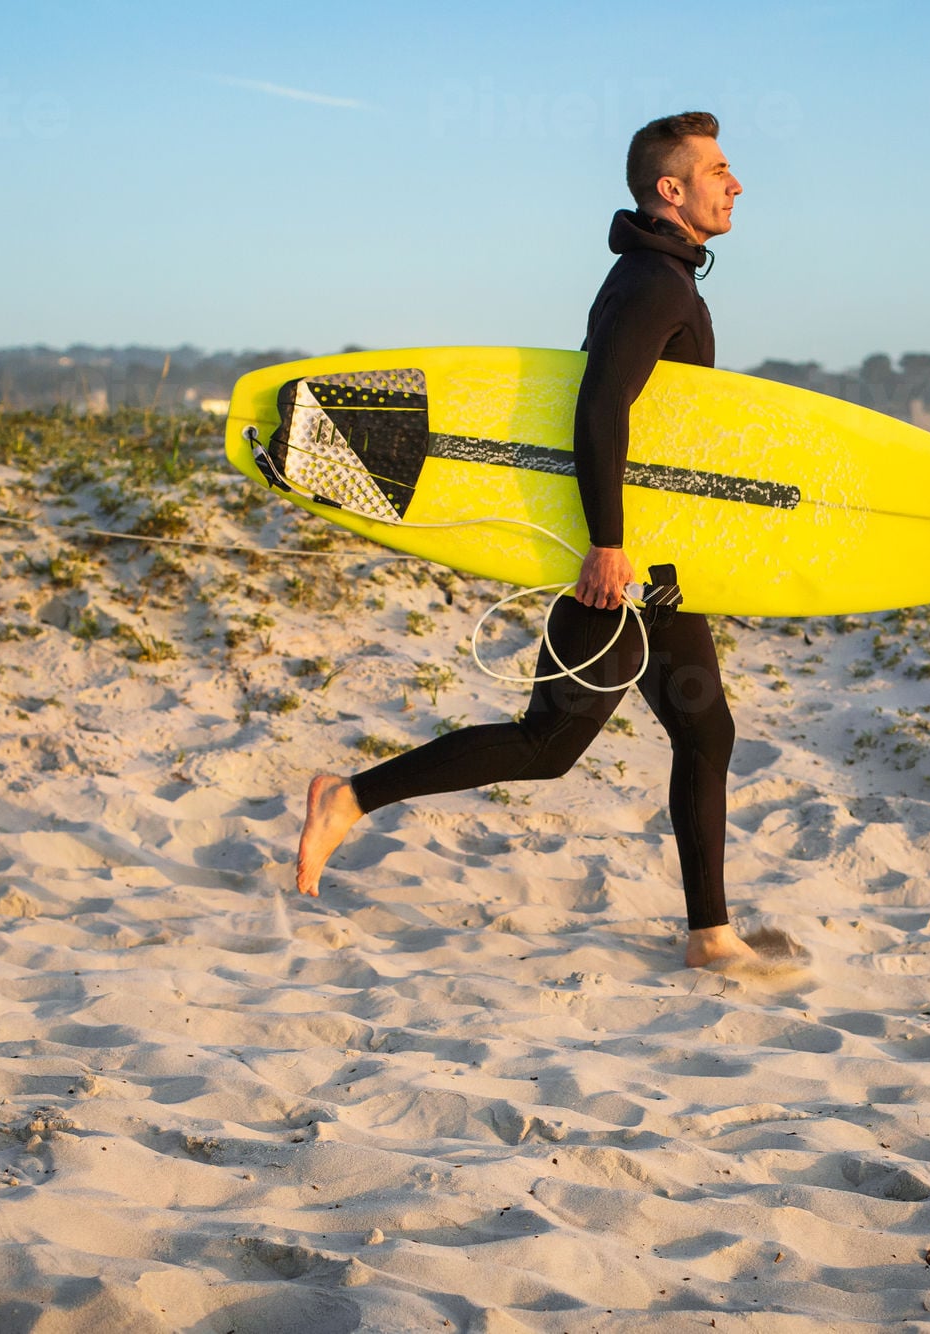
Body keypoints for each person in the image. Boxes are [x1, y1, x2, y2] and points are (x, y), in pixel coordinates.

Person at [292, 111, 756, 969]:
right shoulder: (655, 283)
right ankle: (346, 799)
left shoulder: (663, 278)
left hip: (652, 558)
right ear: (671, 188)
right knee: (549, 744)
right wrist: (606, 543)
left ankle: (711, 936)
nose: (736, 184)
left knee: (705, 734)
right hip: (620, 554)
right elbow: (599, 406)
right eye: (718, 170)